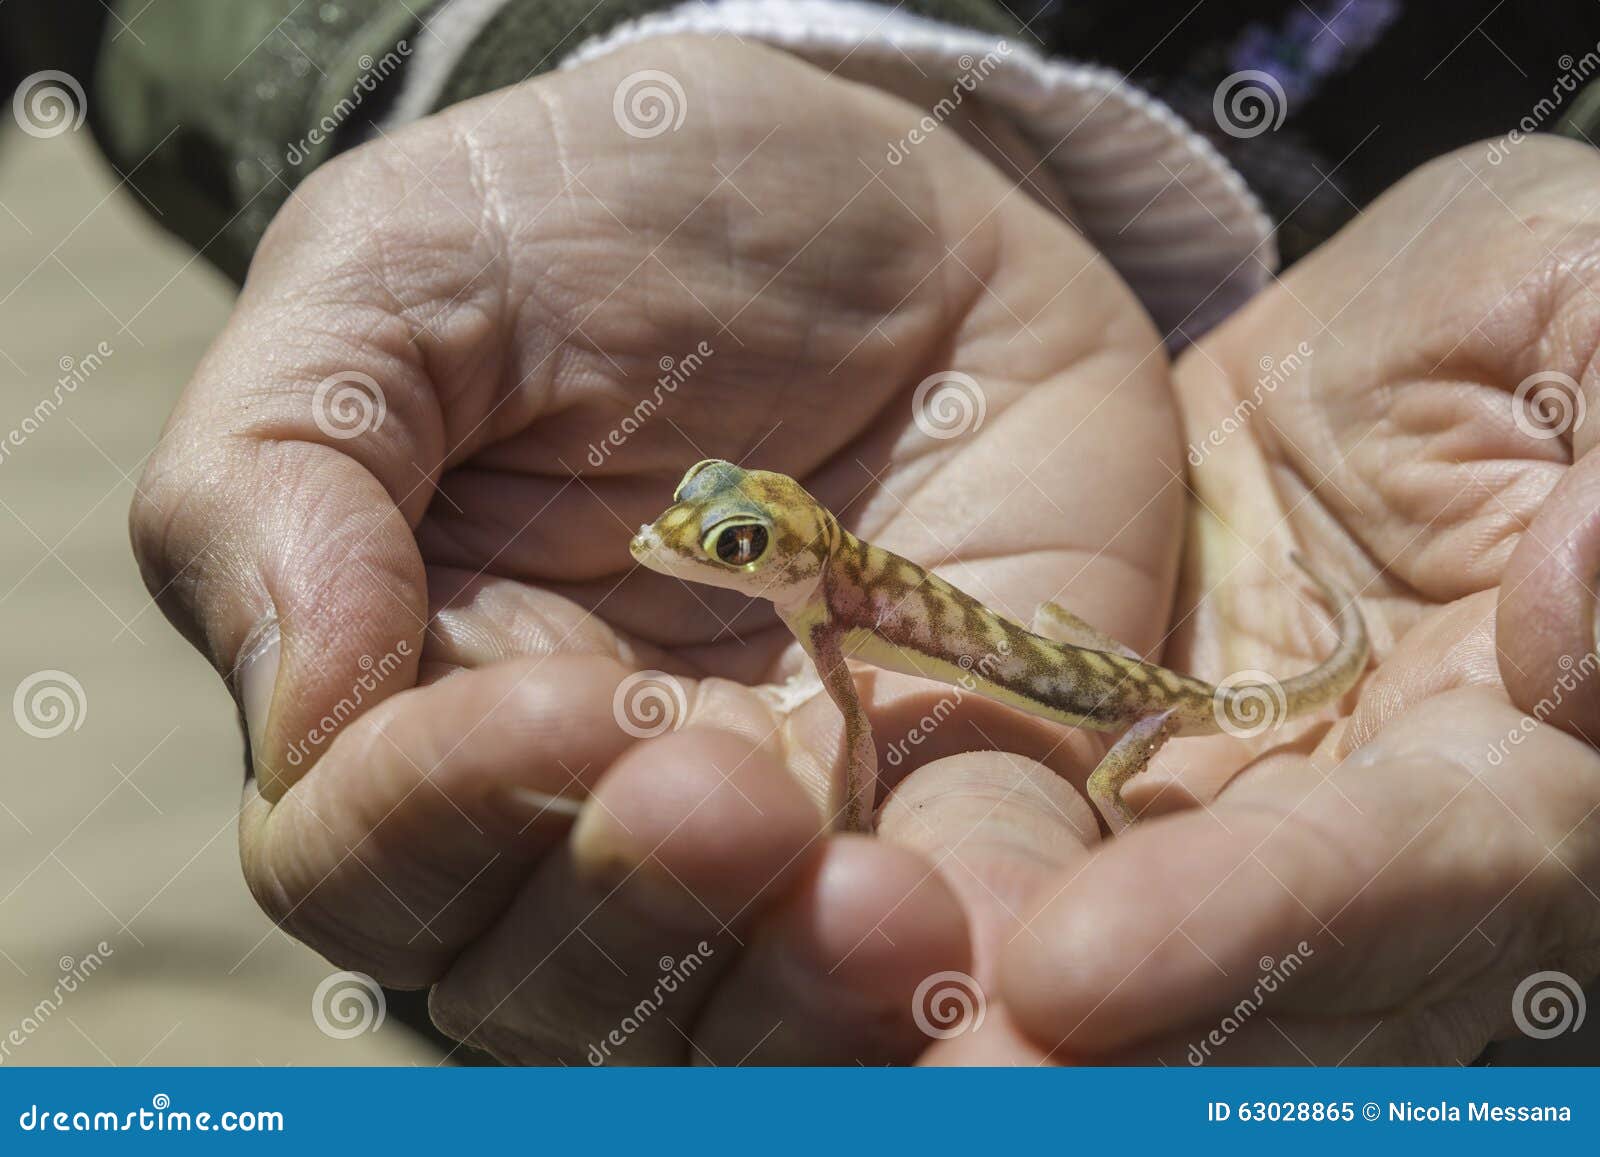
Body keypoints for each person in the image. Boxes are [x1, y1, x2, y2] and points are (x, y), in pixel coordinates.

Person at [12, 0, 1600, 1063]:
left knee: (1099, 839)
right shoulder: (832, 596)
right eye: (716, 538)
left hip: (1129, 713)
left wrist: (1096, 768)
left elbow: (847, 716)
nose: (692, 547)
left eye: (721, 544)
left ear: (784, 559)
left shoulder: (836, 623)